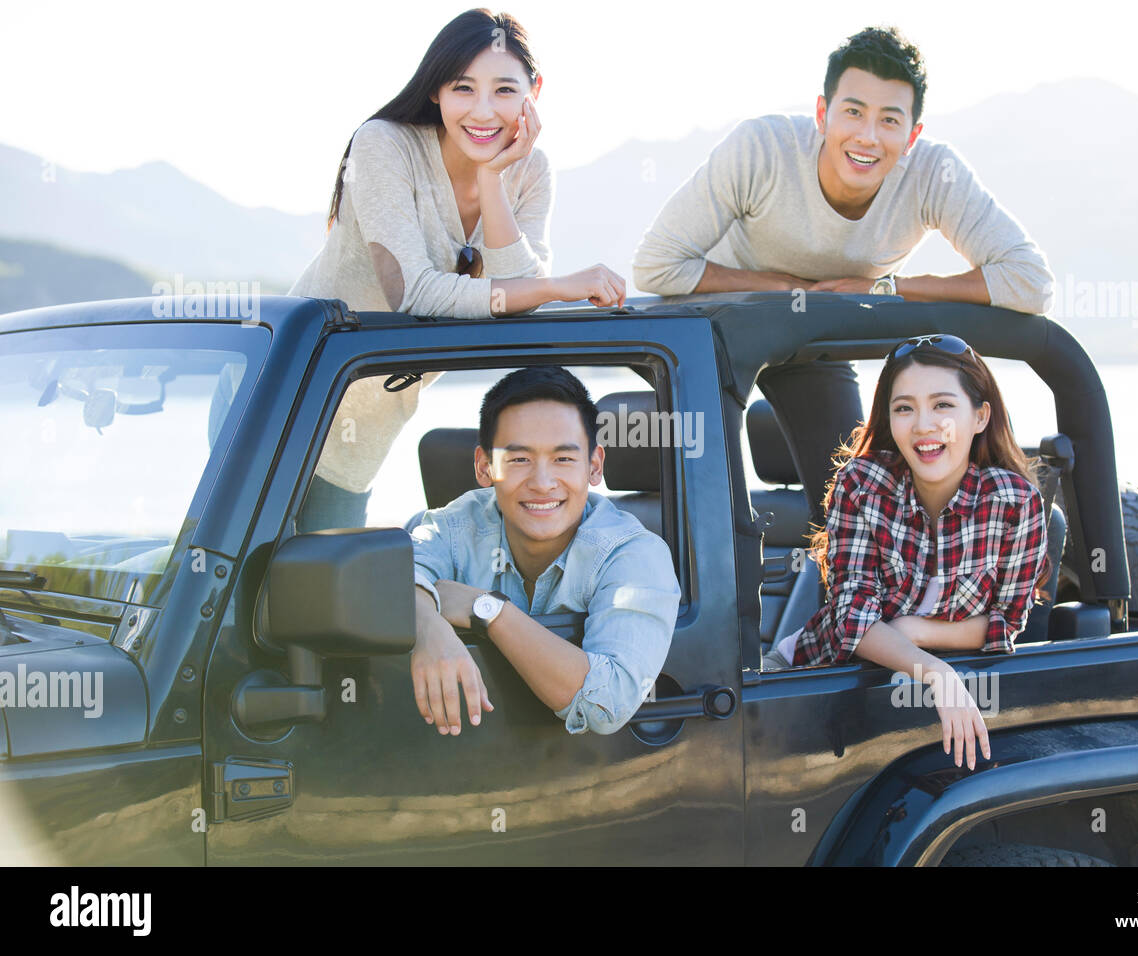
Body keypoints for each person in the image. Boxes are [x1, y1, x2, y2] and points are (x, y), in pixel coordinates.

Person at [632, 25, 1053, 522]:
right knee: (713, 513)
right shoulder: (762, 148)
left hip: (816, 343)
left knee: (852, 510)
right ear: (822, 114)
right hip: (717, 332)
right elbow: (656, 266)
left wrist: (885, 289)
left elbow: (1031, 283)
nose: (868, 137)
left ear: (912, 135)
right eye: (853, 112)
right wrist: (789, 290)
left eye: (889, 120)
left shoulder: (933, 174)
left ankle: (847, 593)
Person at [291, 9, 626, 531]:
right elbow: (416, 296)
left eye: (505, 90)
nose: (484, 111)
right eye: (463, 88)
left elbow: (522, 301)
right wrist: (560, 285)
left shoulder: (531, 171)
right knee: (226, 593)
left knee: (317, 602)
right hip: (287, 400)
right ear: (435, 91)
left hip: (366, 438)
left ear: (535, 91)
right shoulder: (384, 145)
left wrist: (493, 178)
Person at [762, 334, 1050, 770]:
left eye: (943, 405)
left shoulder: (1016, 503)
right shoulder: (862, 482)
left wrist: (914, 631)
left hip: (907, 699)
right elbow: (852, 619)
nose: (922, 425)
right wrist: (937, 673)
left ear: (979, 416)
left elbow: (1004, 625)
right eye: (904, 408)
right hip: (810, 675)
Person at [407, 365, 680, 736]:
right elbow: (393, 573)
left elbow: (605, 704)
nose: (542, 483)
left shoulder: (634, 553)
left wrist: (485, 608)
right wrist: (427, 625)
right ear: (485, 467)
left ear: (594, 465)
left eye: (563, 459)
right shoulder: (457, 524)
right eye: (519, 459)